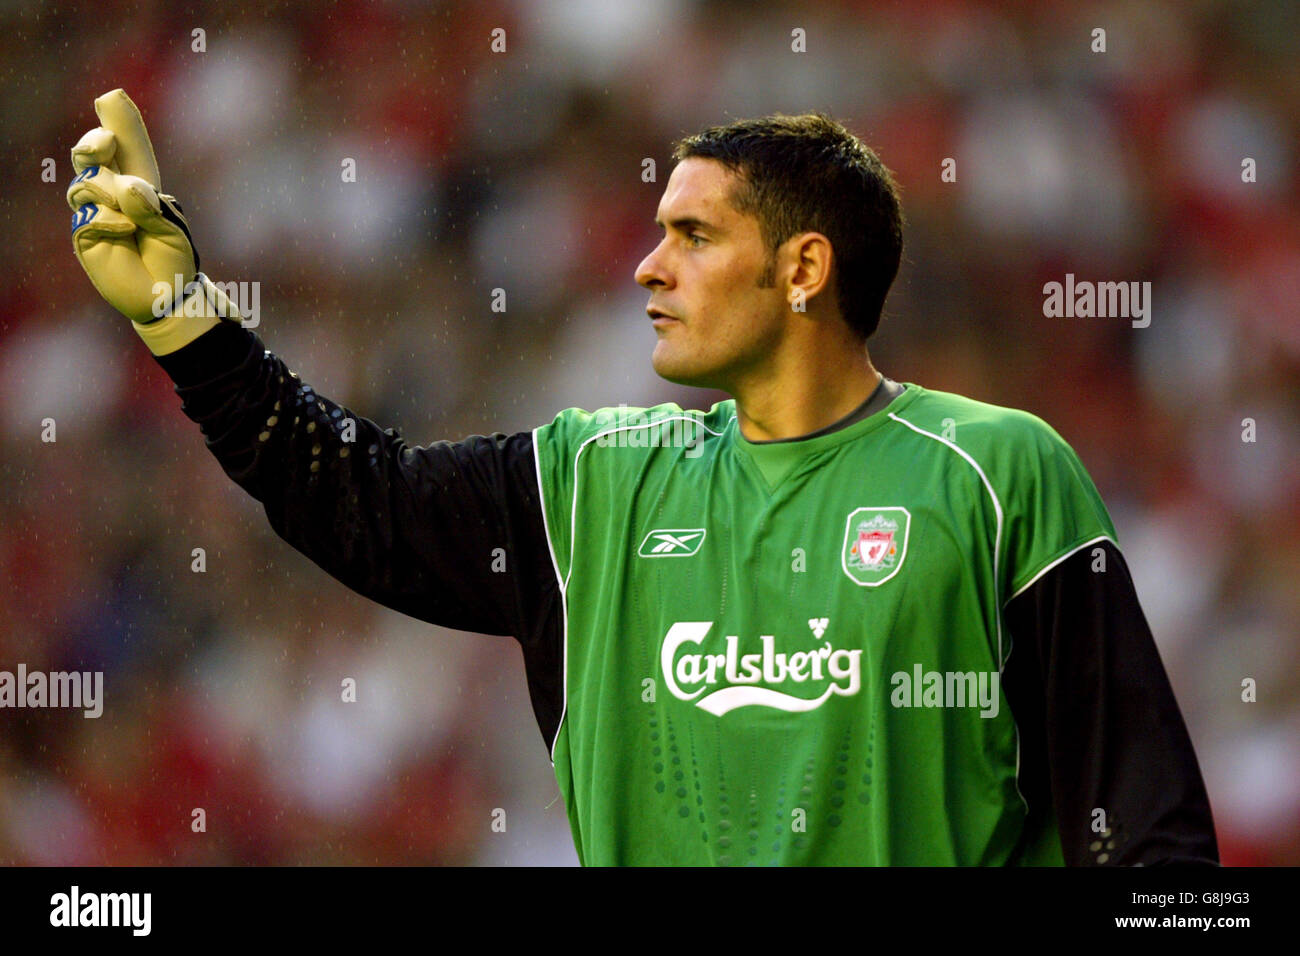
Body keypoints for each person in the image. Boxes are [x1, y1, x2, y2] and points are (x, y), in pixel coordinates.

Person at [67, 91, 1218, 866]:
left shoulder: (997, 471)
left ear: (804, 266)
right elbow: (348, 495)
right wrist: (184, 318)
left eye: (693, 235)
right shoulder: (587, 485)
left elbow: (1151, 835)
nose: (644, 264)